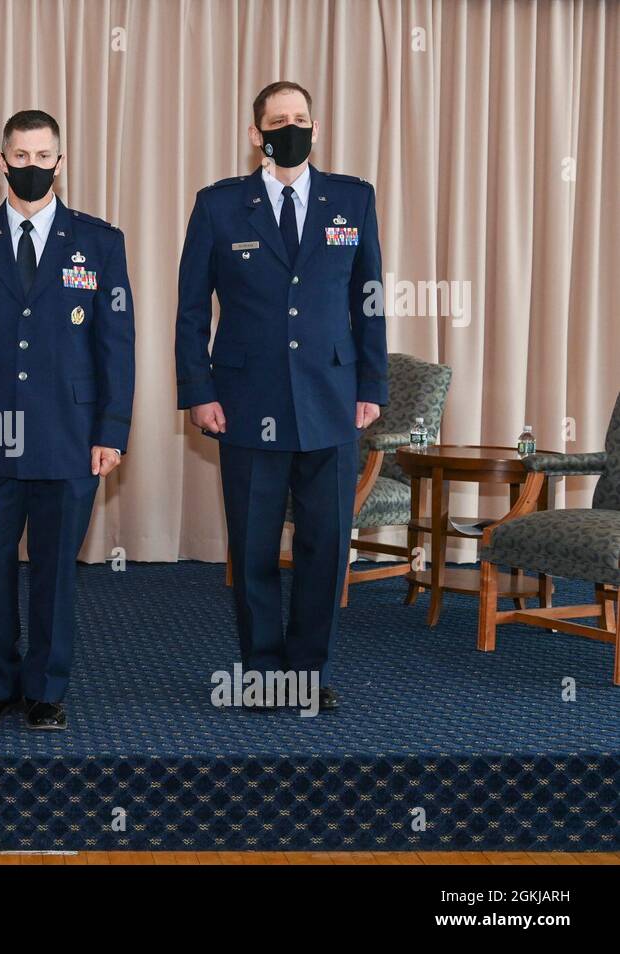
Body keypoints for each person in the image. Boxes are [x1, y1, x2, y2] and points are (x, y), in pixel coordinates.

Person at [175, 81, 388, 711]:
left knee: (325, 547)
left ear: (315, 129)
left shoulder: (352, 199)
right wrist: (197, 390)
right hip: (245, 402)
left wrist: (371, 384)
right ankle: (264, 671)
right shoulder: (218, 206)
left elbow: (368, 300)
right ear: (255, 134)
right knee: (254, 545)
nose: (289, 129)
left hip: (331, 398)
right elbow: (191, 310)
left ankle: (307, 673)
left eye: (299, 119)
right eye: (276, 121)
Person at [0, 109, 135, 731]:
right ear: (1, 161)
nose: (32, 167)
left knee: (53, 573)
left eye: (43, 157)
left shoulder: (100, 241)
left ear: (60, 162)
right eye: (20, 156)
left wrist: (111, 431)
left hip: (67, 437)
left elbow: (115, 345)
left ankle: (45, 688)